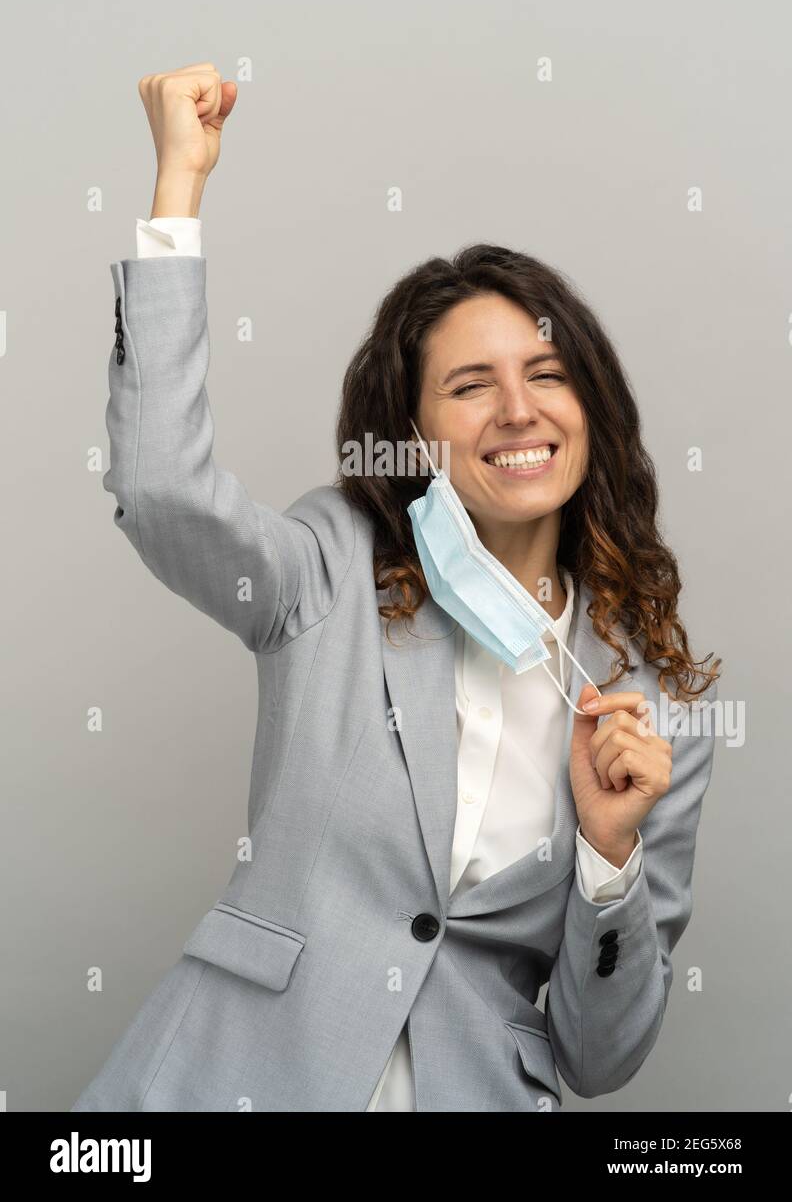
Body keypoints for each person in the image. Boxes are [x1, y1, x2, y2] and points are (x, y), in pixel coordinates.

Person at [72, 63, 721, 1113]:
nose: (517, 409)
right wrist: (176, 192)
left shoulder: (657, 717)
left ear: (587, 407)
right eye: (471, 386)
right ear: (416, 434)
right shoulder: (331, 563)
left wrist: (609, 855)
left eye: (546, 375)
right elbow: (158, 491)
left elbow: (601, 1056)